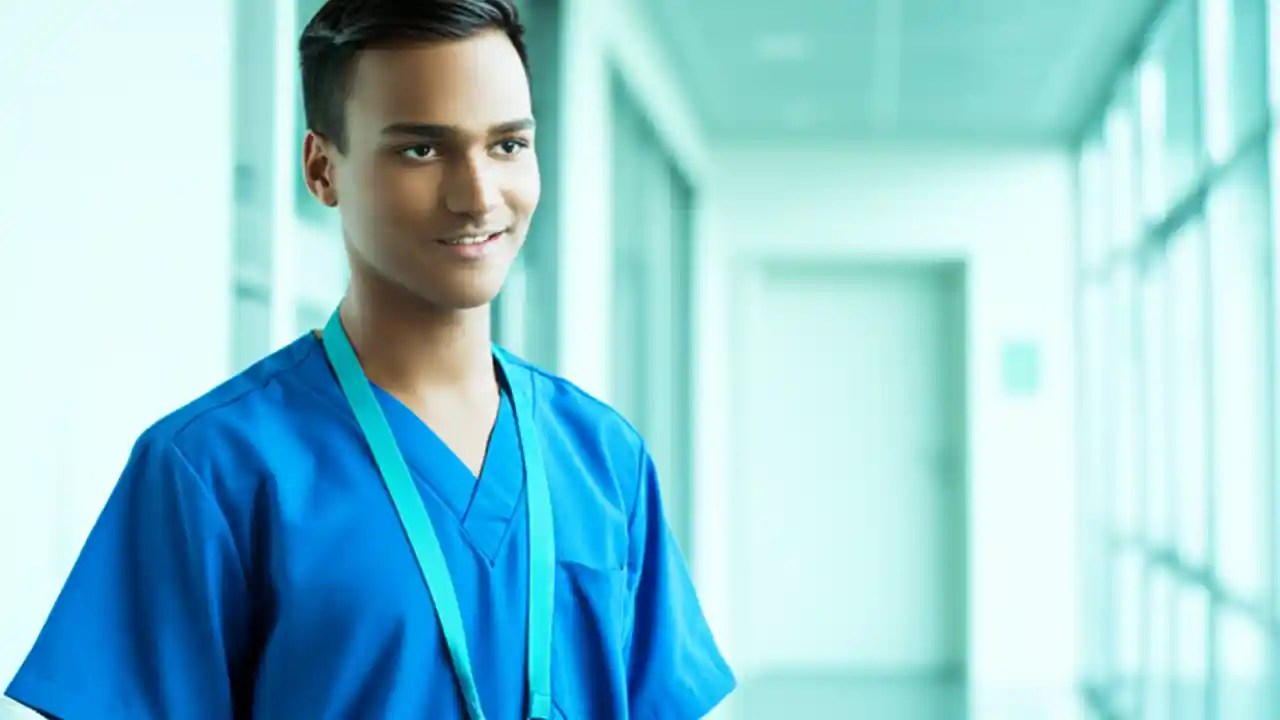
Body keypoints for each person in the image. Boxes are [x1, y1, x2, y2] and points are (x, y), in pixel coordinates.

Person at [3, 1, 735, 717]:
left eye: (508, 144)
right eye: (421, 149)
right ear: (322, 169)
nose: (477, 195)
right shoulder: (212, 470)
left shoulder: (604, 457)